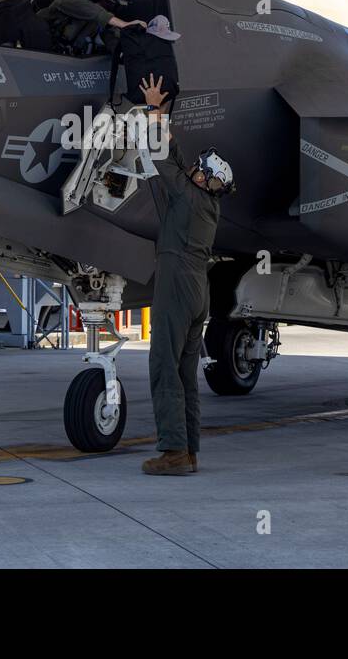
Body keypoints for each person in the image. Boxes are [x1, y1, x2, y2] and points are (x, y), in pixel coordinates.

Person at [139, 74, 235, 475]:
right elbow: (177, 165)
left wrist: (152, 111)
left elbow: (164, 163)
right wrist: (163, 118)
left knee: (164, 364)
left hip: (177, 280)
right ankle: (189, 451)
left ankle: (173, 453)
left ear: (206, 179)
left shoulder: (189, 197)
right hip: (198, 289)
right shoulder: (205, 205)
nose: (196, 168)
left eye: (201, 169)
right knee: (185, 372)